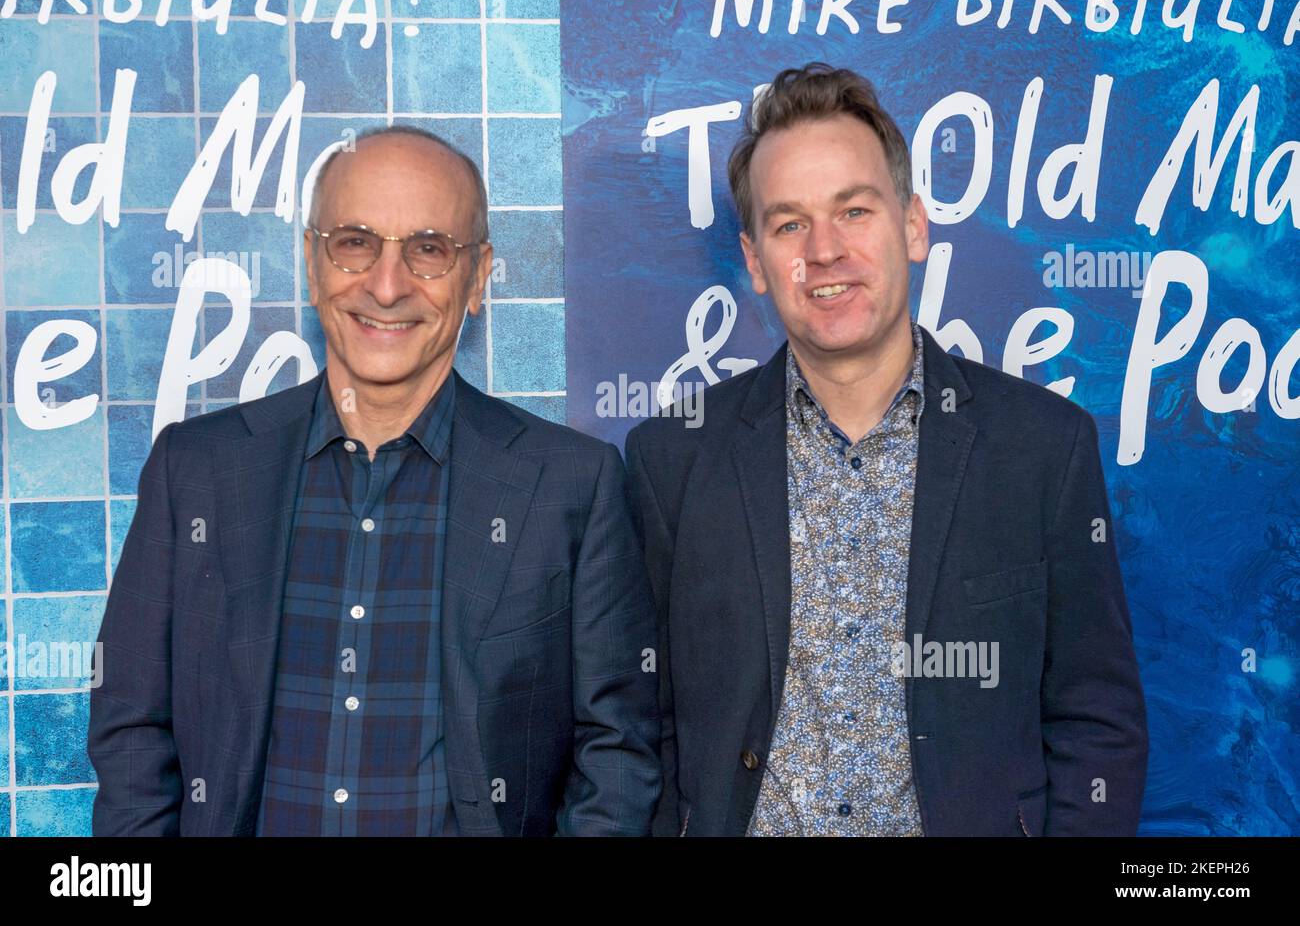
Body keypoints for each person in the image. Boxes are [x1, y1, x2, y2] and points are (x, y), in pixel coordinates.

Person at [88, 125, 660, 836]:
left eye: (428, 250)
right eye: (355, 242)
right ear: (311, 262)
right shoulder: (198, 471)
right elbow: (132, 730)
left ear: (478, 277)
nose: (386, 286)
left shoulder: (571, 484)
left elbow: (618, 750)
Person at [624, 63, 1148, 837]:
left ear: (913, 225)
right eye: (789, 223)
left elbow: (1096, 721)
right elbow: (643, 727)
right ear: (756, 260)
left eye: (854, 210)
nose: (825, 250)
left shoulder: (1042, 448)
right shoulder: (671, 459)